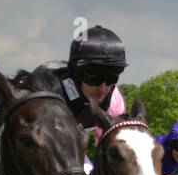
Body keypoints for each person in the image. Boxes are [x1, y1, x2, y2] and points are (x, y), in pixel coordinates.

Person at [36, 25, 128, 161]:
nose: (102, 89)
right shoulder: (48, 93)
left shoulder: (114, 101)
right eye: (94, 78)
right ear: (77, 75)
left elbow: (111, 151)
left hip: (71, 142)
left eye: (111, 78)